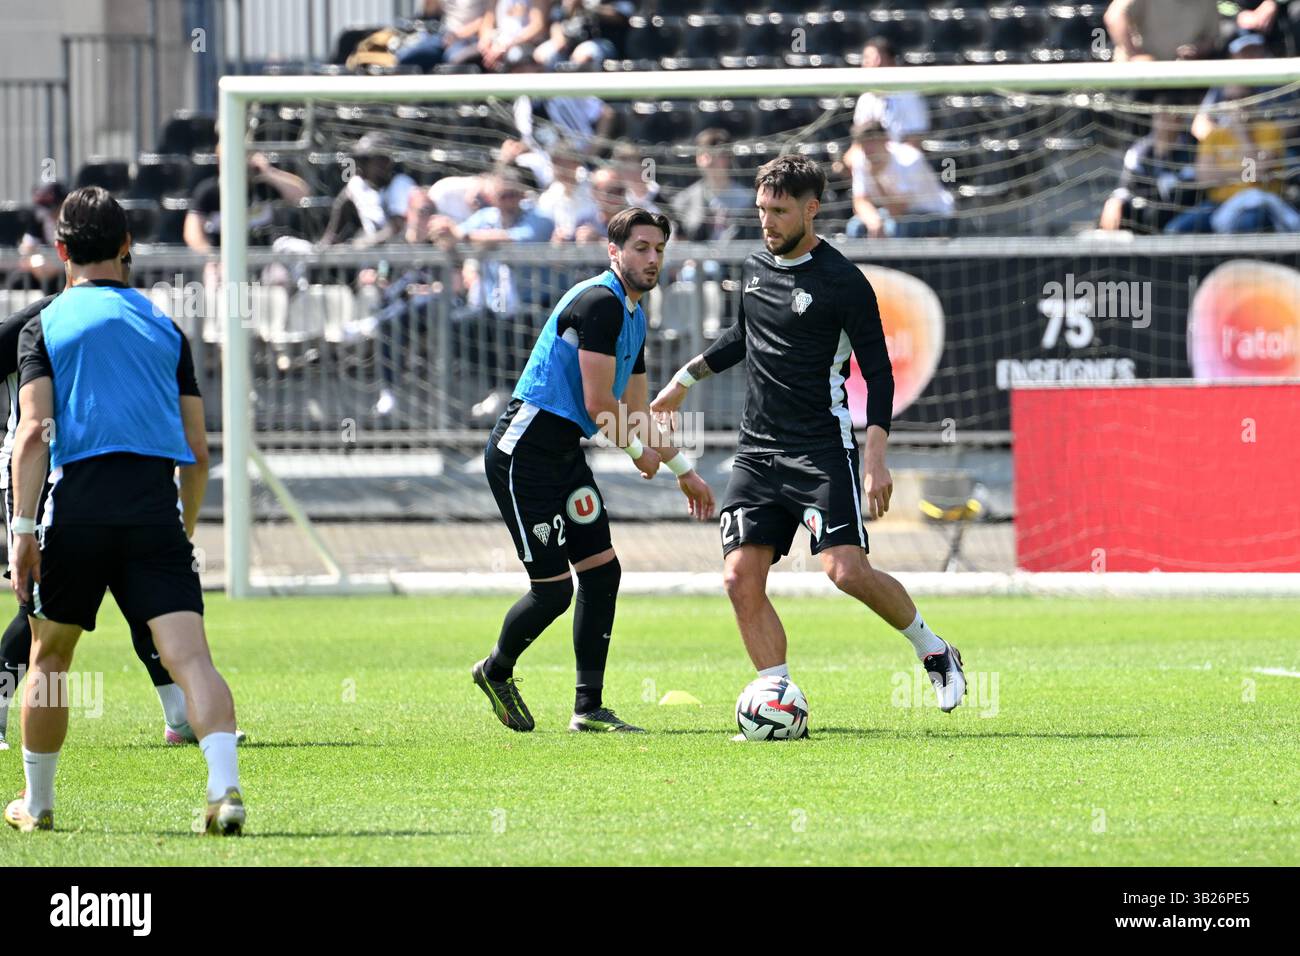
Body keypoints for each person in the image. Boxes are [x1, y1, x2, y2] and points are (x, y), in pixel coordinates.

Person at [650, 155, 967, 737]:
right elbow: (739, 339)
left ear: (811, 209)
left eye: (779, 211)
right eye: (762, 210)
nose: (767, 222)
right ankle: (775, 690)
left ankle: (934, 649)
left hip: (821, 450)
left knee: (846, 572)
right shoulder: (752, 267)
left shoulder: (843, 282)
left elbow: (880, 372)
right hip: (756, 453)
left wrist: (874, 459)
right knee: (738, 578)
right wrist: (680, 383)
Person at [6, 187, 243, 834]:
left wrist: (22, 533)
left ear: (60, 252)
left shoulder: (44, 324)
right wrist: (183, 529)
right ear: (126, 248)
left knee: (49, 661)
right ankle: (225, 786)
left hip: (76, 505)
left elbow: (33, 433)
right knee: (190, 657)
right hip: (151, 508)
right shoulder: (166, 328)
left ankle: (39, 802)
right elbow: (196, 450)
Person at [473, 207, 715, 734]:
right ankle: (495, 670)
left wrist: (682, 470)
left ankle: (588, 709)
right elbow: (600, 402)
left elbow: (637, 409)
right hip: (524, 452)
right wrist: (637, 453)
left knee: (603, 572)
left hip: (563, 456)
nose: (652, 259)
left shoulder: (634, 315)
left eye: (659, 250)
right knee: (554, 590)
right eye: (641, 248)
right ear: (615, 252)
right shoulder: (600, 303)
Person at [847, 121, 956, 239]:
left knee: (895, 229)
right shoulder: (861, 160)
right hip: (892, 214)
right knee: (855, 226)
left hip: (935, 215)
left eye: (872, 141)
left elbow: (898, 210)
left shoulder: (909, 159)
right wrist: (874, 223)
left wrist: (876, 178)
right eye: (864, 143)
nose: (868, 148)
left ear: (886, 139)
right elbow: (860, 201)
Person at [321, 133, 417, 247]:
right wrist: (329, 240)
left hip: (404, 255)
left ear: (385, 162)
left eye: (366, 160)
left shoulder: (402, 184)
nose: (360, 165)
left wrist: (361, 244)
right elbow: (341, 203)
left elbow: (396, 228)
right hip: (372, 258)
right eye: (359, 159)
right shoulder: (357, 184)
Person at [1103, 0, 1221, 61]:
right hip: (1136, 76)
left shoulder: (1208, 2)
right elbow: (1114, 17)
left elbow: (1211, 39)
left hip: (1184, 78)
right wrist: (1136, 55)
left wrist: (1197, 50)